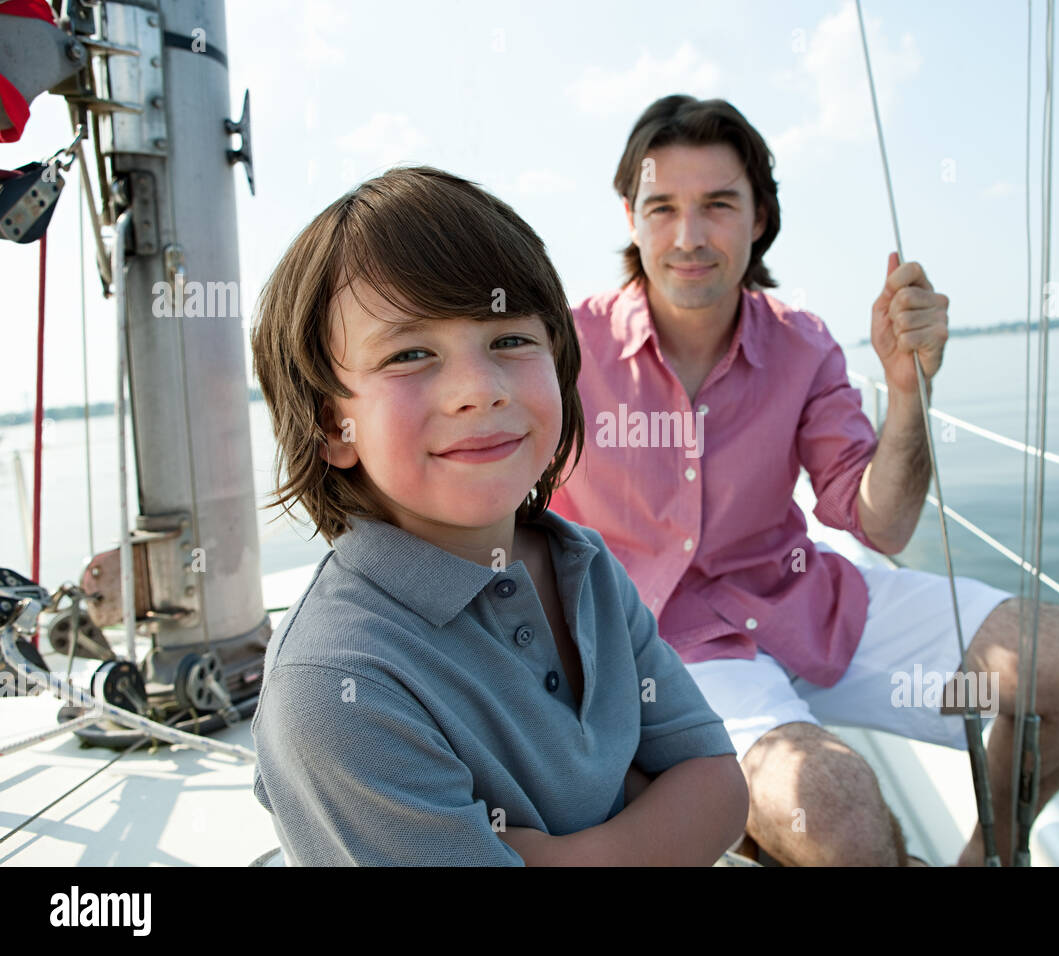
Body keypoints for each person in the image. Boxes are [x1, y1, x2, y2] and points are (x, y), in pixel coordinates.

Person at [548, 95, 1059, 866]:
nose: (689, 237)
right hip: (672, 659)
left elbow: (881, 526)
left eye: (719, 204)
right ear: (631, 216)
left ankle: (993, 855)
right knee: (837, 813)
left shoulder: (803, 343)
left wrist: (908, 391)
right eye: (663, 207)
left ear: (760, 217)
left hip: (809, 613)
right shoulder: (562, 346)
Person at [247, 165, 748, 866]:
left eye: (510, 341)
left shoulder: (585, 565)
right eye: (410, 354)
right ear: (333, 425)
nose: (478, 391)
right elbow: (688, 796)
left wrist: (562, 858)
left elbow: (719, 786)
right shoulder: (335, 682)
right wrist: (650, 810)